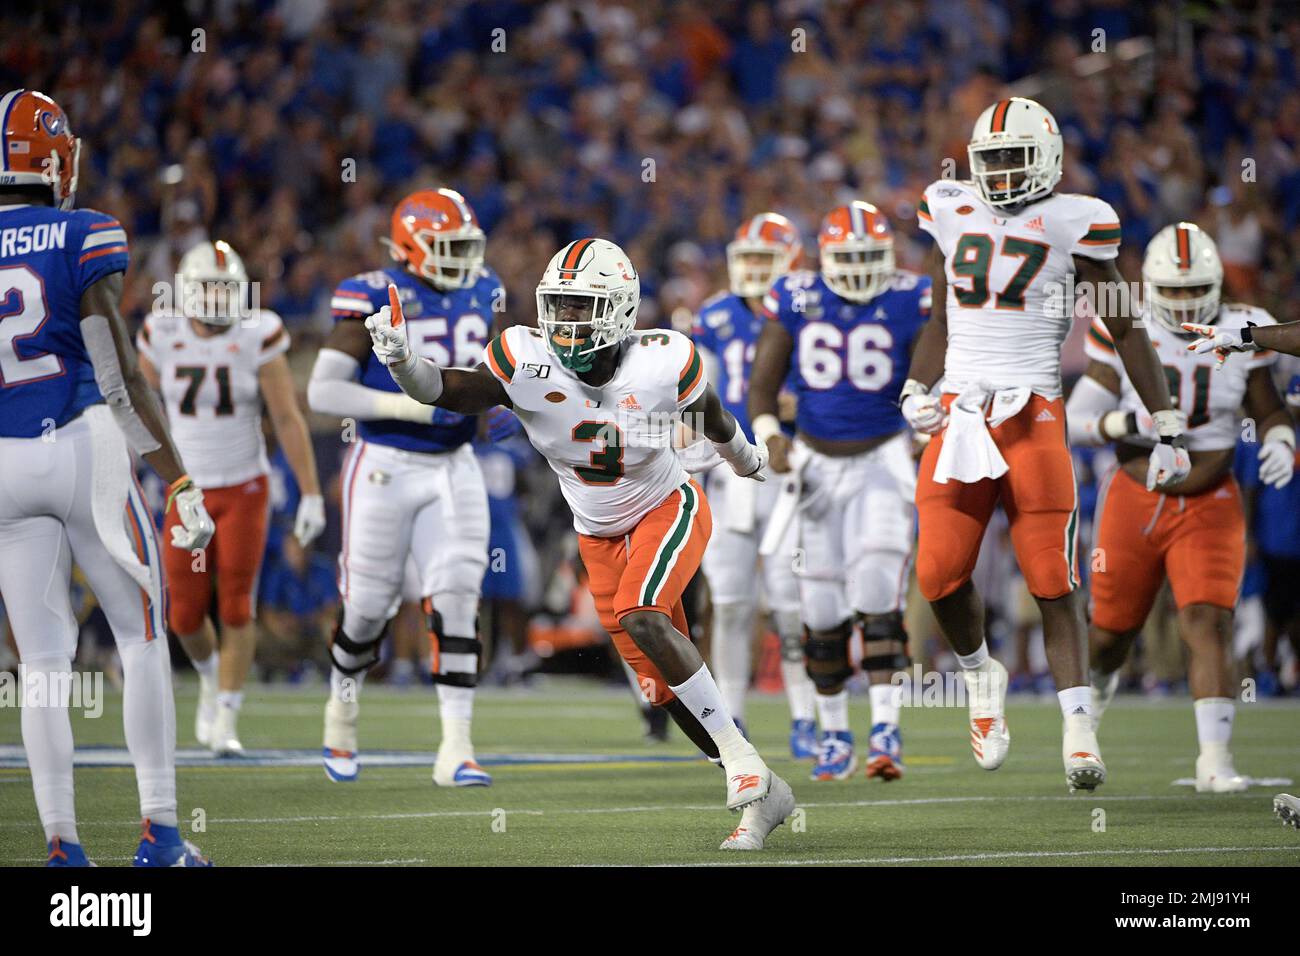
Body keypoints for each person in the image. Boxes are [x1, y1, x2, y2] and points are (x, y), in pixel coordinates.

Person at [368, 236, 796, 850]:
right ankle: (760, 787)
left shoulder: (661, 359)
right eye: (559, 304)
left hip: (665, 506)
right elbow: (450, 391)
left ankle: (741, 760)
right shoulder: (523, 358)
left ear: (621, 308)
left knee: (642, 613)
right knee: (661, 687)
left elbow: (713, 417)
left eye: (582, 306)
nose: (566, 321)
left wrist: (744, 458)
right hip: (596, 534)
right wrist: (403, 362)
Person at [901, 97, 1189, 792]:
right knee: (938, 574)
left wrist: (1166, 418)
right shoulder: (947, 205)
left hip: (1033, 414)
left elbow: (1123, 328)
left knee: (1052, 579)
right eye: (990, 160)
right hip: (959, 412)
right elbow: (942, 313)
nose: (999, 174)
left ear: (1049, 161)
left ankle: (1079, 727)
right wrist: (916, 385)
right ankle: (980, 676)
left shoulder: (1075, 223)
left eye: (1013, 159)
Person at [0, 89, 213, 865]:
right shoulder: (83, 231)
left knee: (44, 667)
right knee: (142, 632)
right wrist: (179, 477)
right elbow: (117, 372)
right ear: (55, 159)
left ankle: (62, 846)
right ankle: (160, 832)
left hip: (3, 465)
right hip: (80, 444)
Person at [1068, 222, 1295, 791]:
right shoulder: (1125, 319)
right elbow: (1077, 419)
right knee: (1110, 633)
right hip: (1135, 492)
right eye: (1173, 290)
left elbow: (1268, 408)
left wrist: (1280, 439)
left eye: (1197, 289)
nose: (1186, 302)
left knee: (1207, 622)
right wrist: (1127, 421)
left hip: (1210, 497)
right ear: (1150, 287)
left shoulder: (1246, 326)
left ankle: (1214, 760)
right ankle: (1088, 714)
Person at [307, 188, 496, 786]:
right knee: (366, 609)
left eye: (466, 246)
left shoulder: (483, 289)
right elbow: (322, 393)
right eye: (448, 247)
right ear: (412, 248)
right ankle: (341, 712)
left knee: (459, 596)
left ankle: (457, 748)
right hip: (386, 463)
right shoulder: (373, 292)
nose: (461, 259)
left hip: (456, 463)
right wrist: (411, 408)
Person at [748, 202, 931, 782]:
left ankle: (885, 727)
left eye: (867, 258)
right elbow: (762, 384)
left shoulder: (913, 297)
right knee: (821, 610)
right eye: (846, 259)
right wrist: (772, 434)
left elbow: (936, 369)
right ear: (824, 259)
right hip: (816, 467)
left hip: (882, 460)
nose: (856, 270)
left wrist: (927, 424)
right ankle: (833, 732)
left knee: (878, 589)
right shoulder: (795, 295)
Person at [138, 240, 325, 754]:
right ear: (186, 291)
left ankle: (227, 713)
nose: (219, 300)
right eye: (209, 289)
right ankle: (209, 674)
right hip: (186, 489)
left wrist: (310, 493)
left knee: (239, 606)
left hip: (244, 485)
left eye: (227, 290)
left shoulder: (257, 332)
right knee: (185, 615)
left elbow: (286, 416)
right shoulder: (161, 331)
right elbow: (136, 407)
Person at [690, 212, 817, 757]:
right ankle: (733, 714)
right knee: (732, 600)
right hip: (728, 467)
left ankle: (806, 716)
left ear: (790, 260)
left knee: (790, 602)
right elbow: (697, 392)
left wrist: (802, 403)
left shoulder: (809, 306)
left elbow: (832, 381)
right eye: (748, 258)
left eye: (766, 258)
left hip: (786, 467)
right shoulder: (714, 315)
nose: (754, 269)